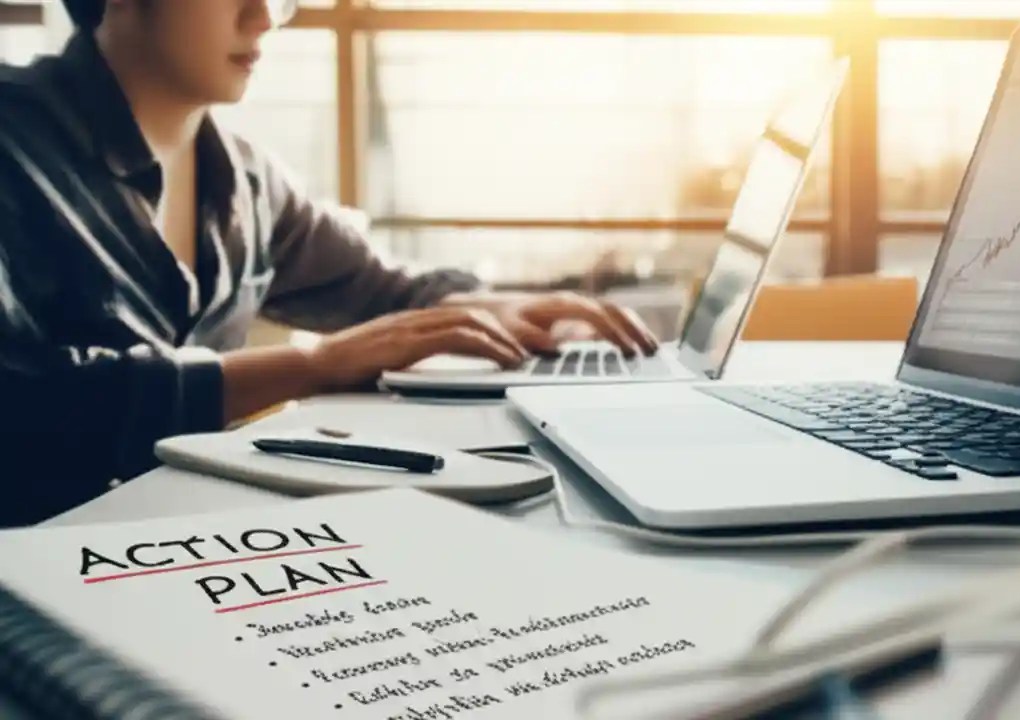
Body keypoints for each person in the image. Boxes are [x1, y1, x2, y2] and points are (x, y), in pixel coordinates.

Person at [0, 0, 659, 526]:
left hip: (187, 540)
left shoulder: (245, 179)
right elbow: (24, 401)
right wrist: (310, 366)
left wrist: (504, 309)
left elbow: (381, 294)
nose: (264, 17)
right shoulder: (14, 144)